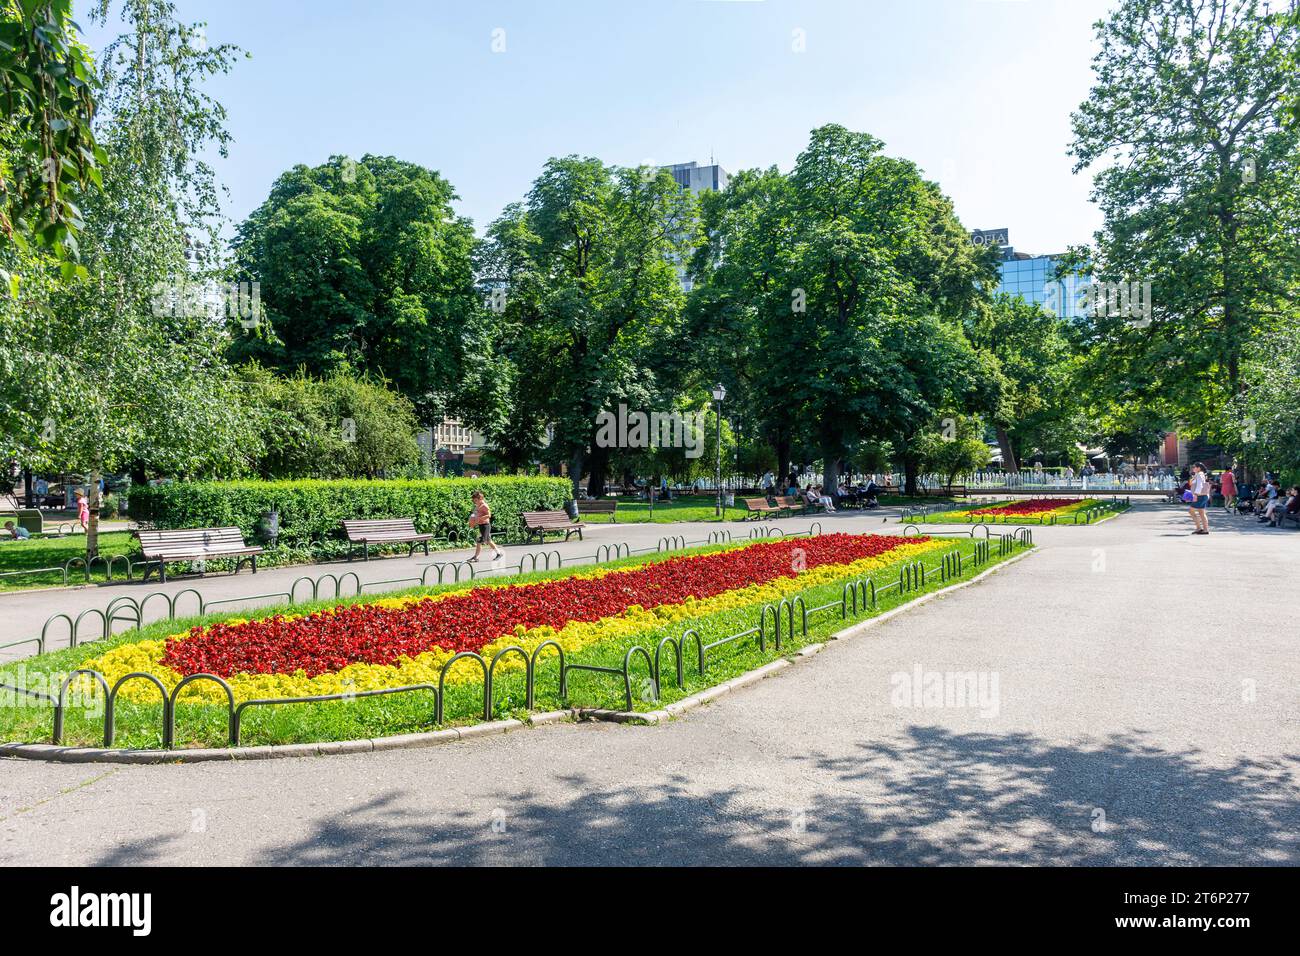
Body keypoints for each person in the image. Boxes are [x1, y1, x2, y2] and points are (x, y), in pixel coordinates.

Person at [466, 490, 502, 563]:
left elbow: (489, 515)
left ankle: (476, 557)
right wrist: (472, 520)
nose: (475, 502)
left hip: (485, 525)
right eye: (474, 500)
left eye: (476, 500)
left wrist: (480, 518)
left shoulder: (484, 505)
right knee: (488, 541)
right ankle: (499, 553)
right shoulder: (478, 506)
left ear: (480, 499)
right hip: (481, 525)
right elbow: (475, 514)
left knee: (480, 540)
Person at [1187, 462, 1210, 535]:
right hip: (1203, 496)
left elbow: (1199, 486)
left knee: (1191, 511)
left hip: (1200, 496)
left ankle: (1199, 528)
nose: (1193, 468)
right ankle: (1205, 529)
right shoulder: (1199, 474)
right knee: (1202, 513)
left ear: (1198, 468)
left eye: (1194, 467)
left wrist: (1196, 495)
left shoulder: (1199, 474)